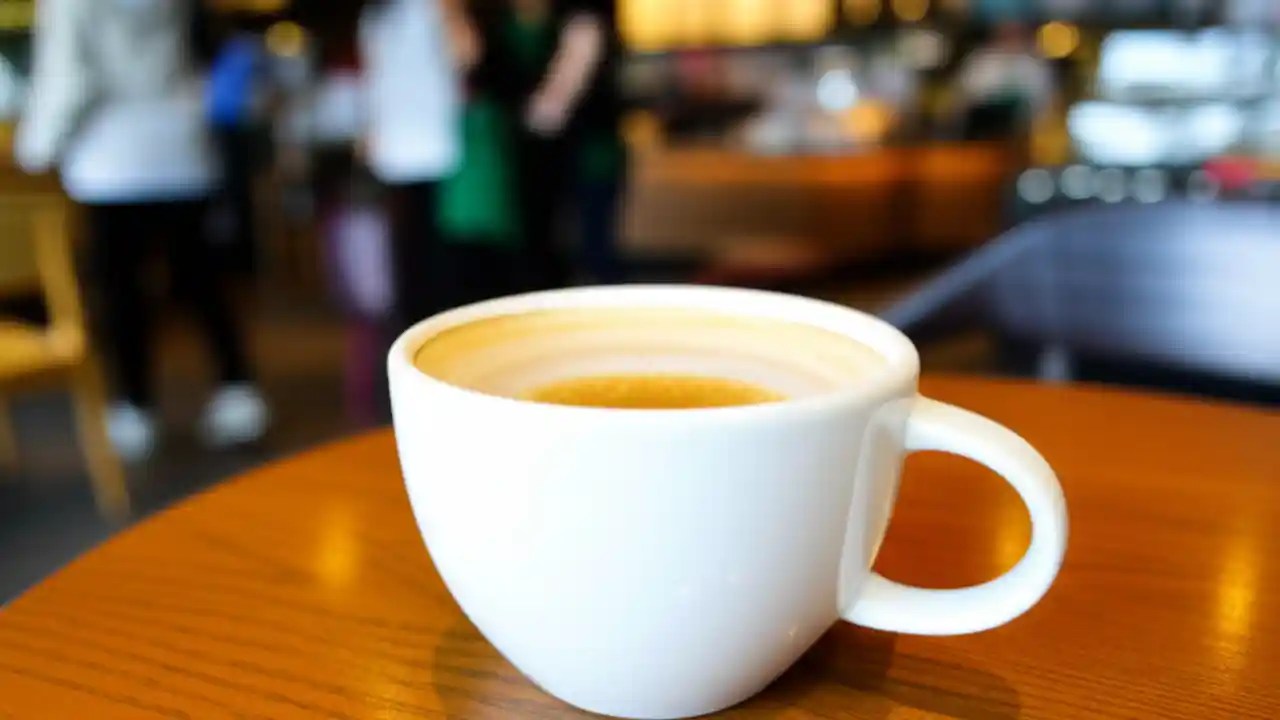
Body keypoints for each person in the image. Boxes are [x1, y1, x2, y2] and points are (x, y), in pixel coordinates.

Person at [17, 0, 267, 460]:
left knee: (122, 293)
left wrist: (36, 149)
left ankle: (135, 407)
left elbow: (70, 78)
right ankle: (238, 390)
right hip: (183, 150)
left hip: (110, 161)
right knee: (201, 283)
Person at [470, 0, 613, 290]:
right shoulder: (496, 26)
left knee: (583, 253)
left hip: (575, 158)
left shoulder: (580, 23)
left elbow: (549, 113)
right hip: (516, 159)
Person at [358, 0, 472, 331]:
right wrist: (370, 131)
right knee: (406, 257)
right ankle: (412, 337)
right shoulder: (375, 13)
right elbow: (375, 78)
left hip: (438, 147)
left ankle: (437, 334)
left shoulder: (434, 5)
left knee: (439, 255)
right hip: (392, 150)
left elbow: (466, 54)